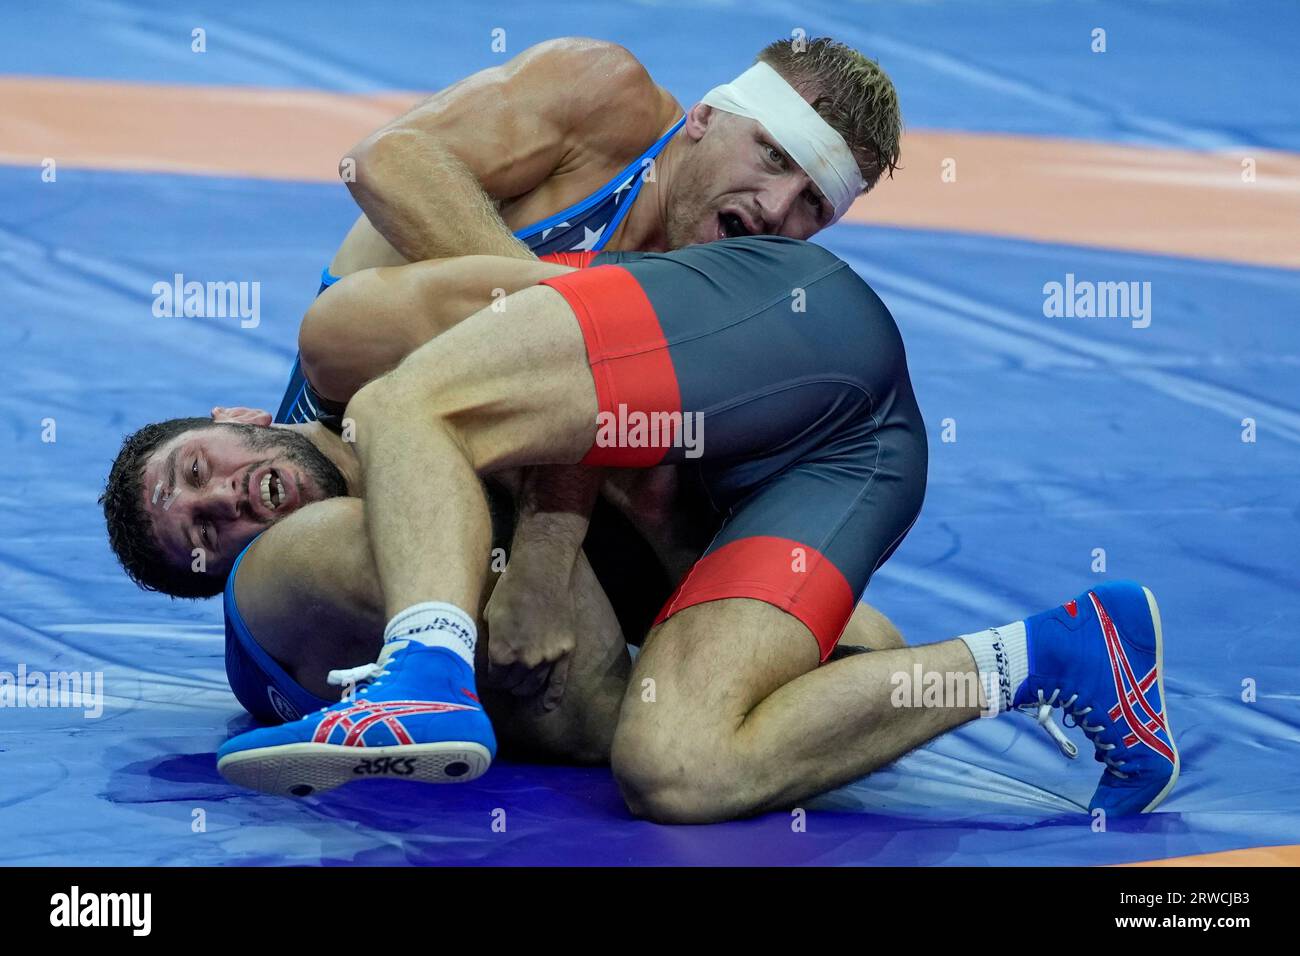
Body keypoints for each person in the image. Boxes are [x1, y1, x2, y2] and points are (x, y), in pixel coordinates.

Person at [213, 234, 1179, 822]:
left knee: (402, 407)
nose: (217, 508)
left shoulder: (347, 343)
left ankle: (424, 671)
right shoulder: (408, 526)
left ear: (235, 417)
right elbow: (864, 646)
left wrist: (542, 562)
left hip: (777, 325)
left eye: (191, 475)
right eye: (199, 545)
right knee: (678, 771)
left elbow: (526, 283)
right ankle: (1060, 652)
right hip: (849, 463)